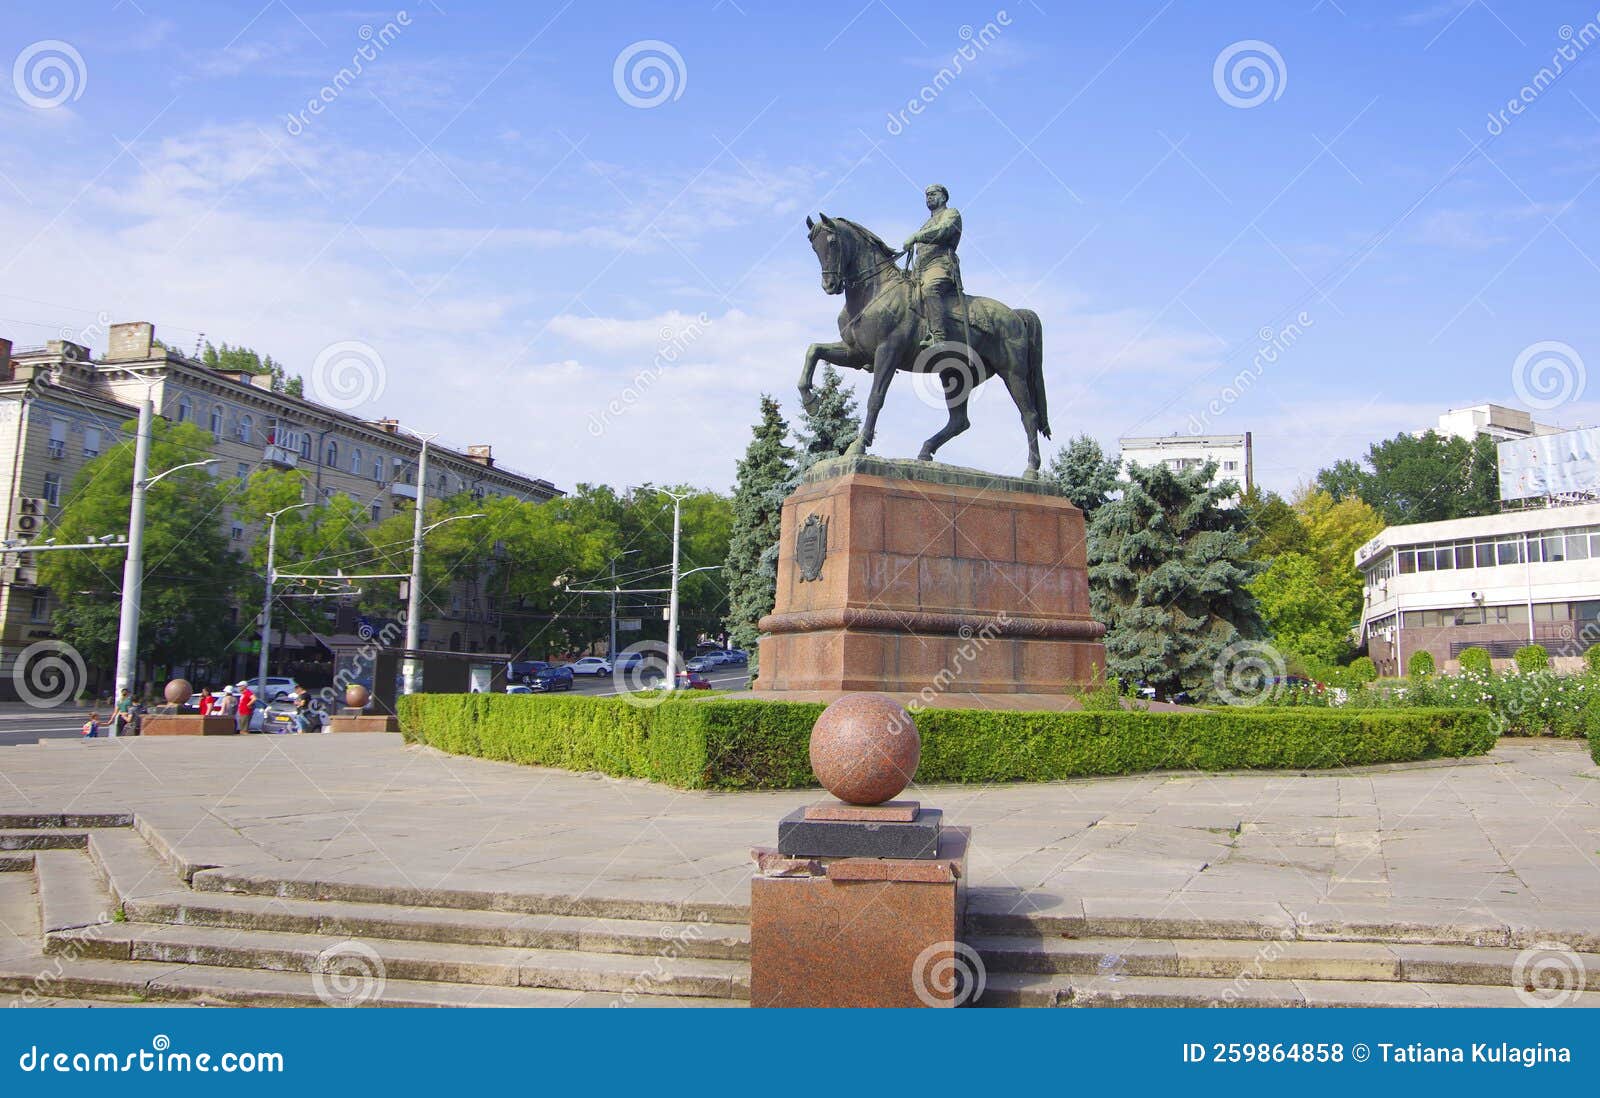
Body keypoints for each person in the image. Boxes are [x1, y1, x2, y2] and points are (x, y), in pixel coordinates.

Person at [900, 183, 963, 349]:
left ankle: (938, 337)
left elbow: (944, 229)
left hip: (941, 264)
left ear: (943, 196)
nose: (928, 197)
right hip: (920, 269)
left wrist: (916, 236)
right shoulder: (926, 223)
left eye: (933, 194)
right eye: (926, 195)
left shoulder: (951, 213)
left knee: (930, 288)